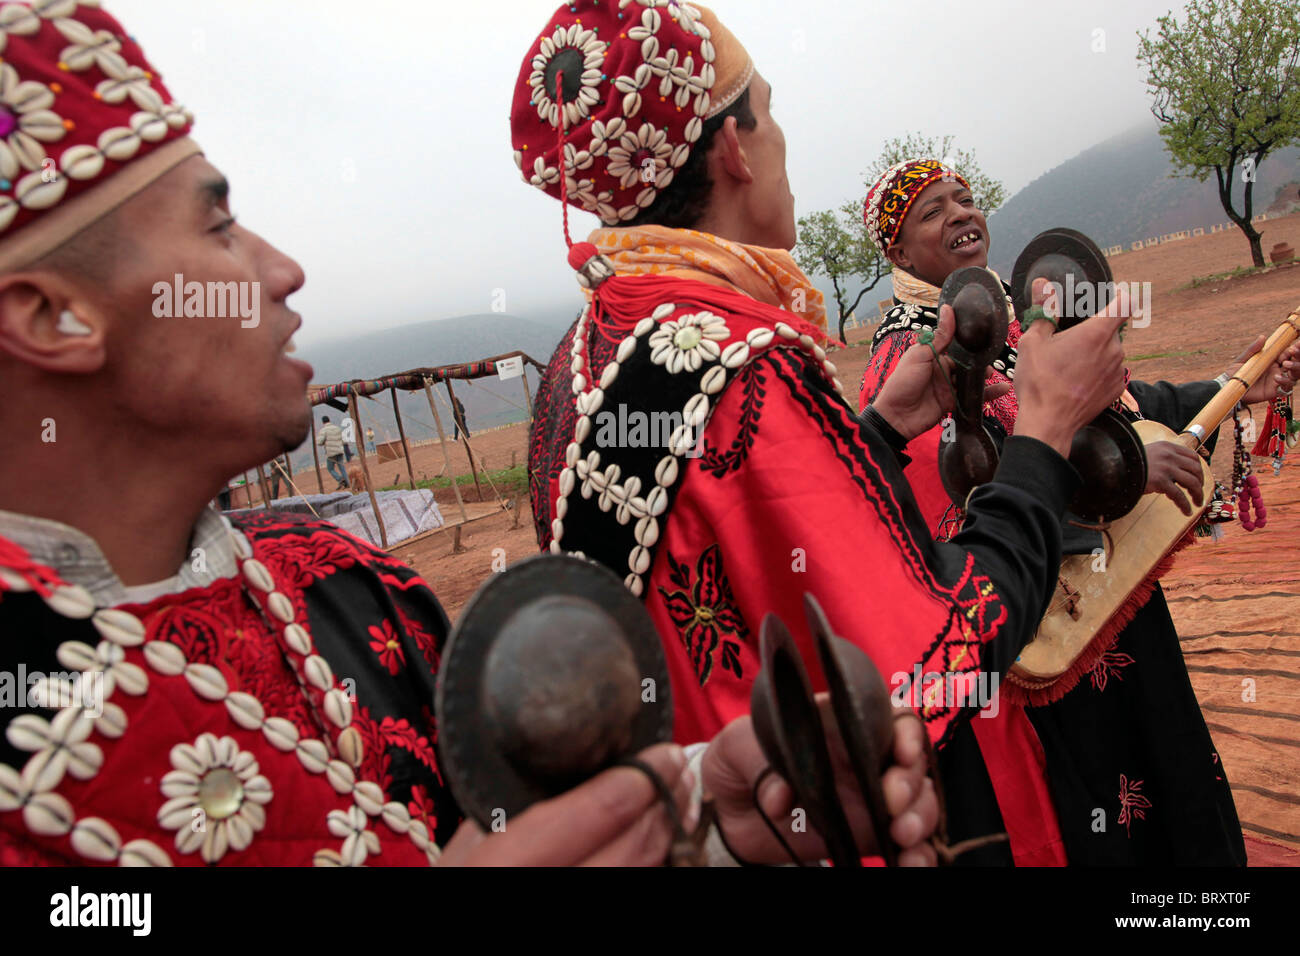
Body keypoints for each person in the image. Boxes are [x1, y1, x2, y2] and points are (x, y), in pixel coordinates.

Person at [0, 2, 938, 867]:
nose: (283, 271)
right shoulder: (745, 352)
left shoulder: (355, 595)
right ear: (53, 317)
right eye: (219, 228)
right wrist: (1039, 451)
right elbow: (920, 659)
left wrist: (695, 821)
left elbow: (511, 833)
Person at [518, 0, 1138, 865]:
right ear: (735, 148)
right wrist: (1043, 433)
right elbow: (936, 662)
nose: (780, 145)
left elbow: (746, 549)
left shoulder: (584, 355)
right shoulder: (748, 362)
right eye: (766, 112)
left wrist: (874, 433)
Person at [858, 158, 1300, 864]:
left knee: (1175, 789)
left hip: (1120, 612)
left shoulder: (1005, 320)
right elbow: (959, 521)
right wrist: (1117, 481)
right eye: (933, 212)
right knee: (1109, 823)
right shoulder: (910, 360)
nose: (962, 214)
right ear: (899, 252)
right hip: (1049, 655)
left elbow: (1123, 413)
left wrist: (1233, 385)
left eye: (966, 198)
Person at [318, 416, 348, 488]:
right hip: (339, 451)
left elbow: (319, 442)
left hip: (331, 453)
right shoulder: (337, 428)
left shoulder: (323, 430)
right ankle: (347, 482)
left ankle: (340, 479)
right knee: (342, 467)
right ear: (329, 420)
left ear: (323, 422)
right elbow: (344, 440)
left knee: (330, 468)